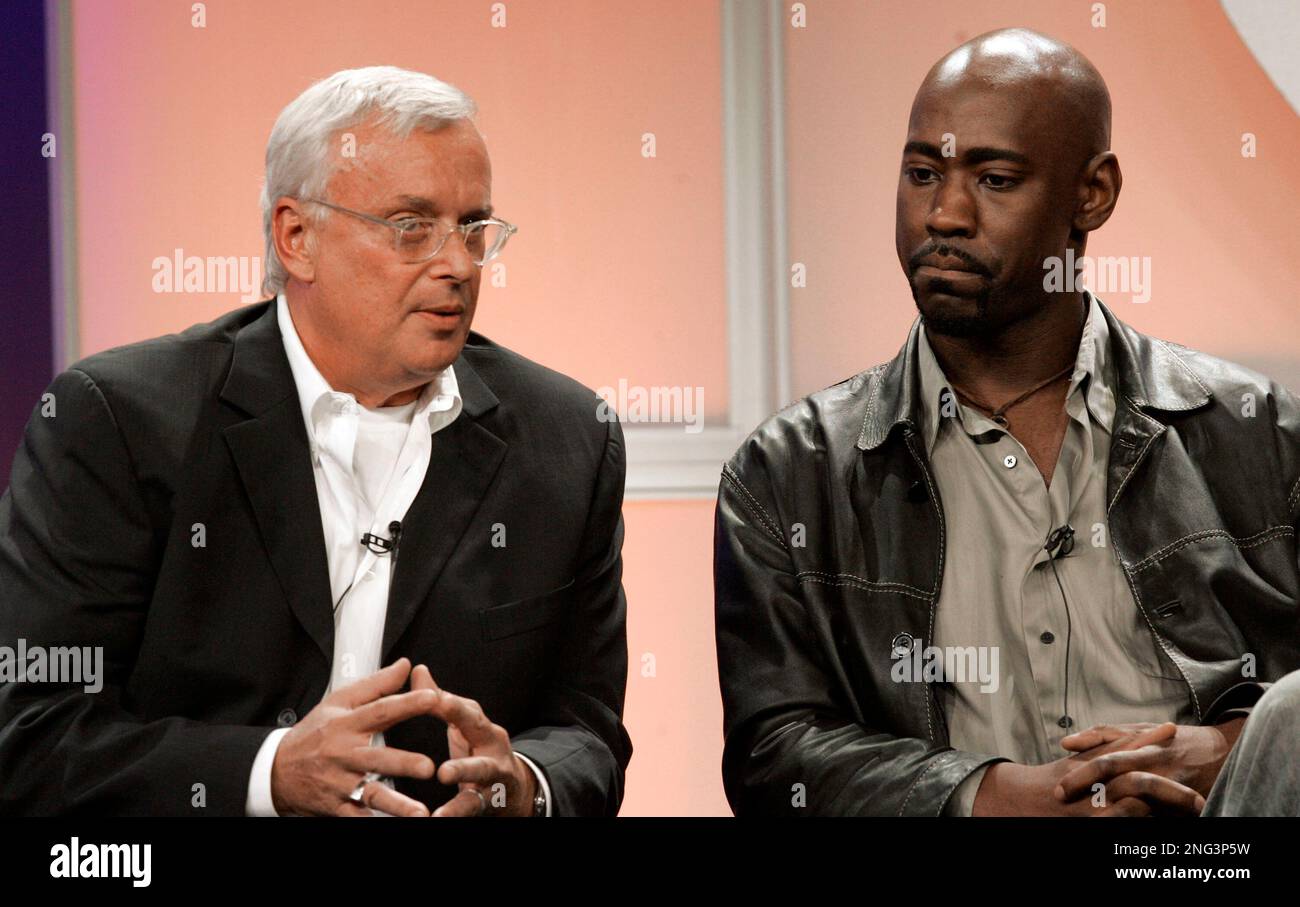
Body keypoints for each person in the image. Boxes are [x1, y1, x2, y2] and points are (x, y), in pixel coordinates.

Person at [0, 66, 631, 816]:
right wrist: (267, 773)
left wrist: (524, 782)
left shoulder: (565, 439)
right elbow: (34, 735)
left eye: (472, 228)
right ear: (296, 238)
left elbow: (587, 728)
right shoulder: (119, 424)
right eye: (411, 227)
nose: (459, 264)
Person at [714, 29, 1300, 816]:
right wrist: (989, 798)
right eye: (922, 173)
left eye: (993, 178)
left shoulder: (1259, 433)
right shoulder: (789, 474)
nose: (944, 214)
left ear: (1092, 195)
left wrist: (1236, 750)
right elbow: (771, 755)